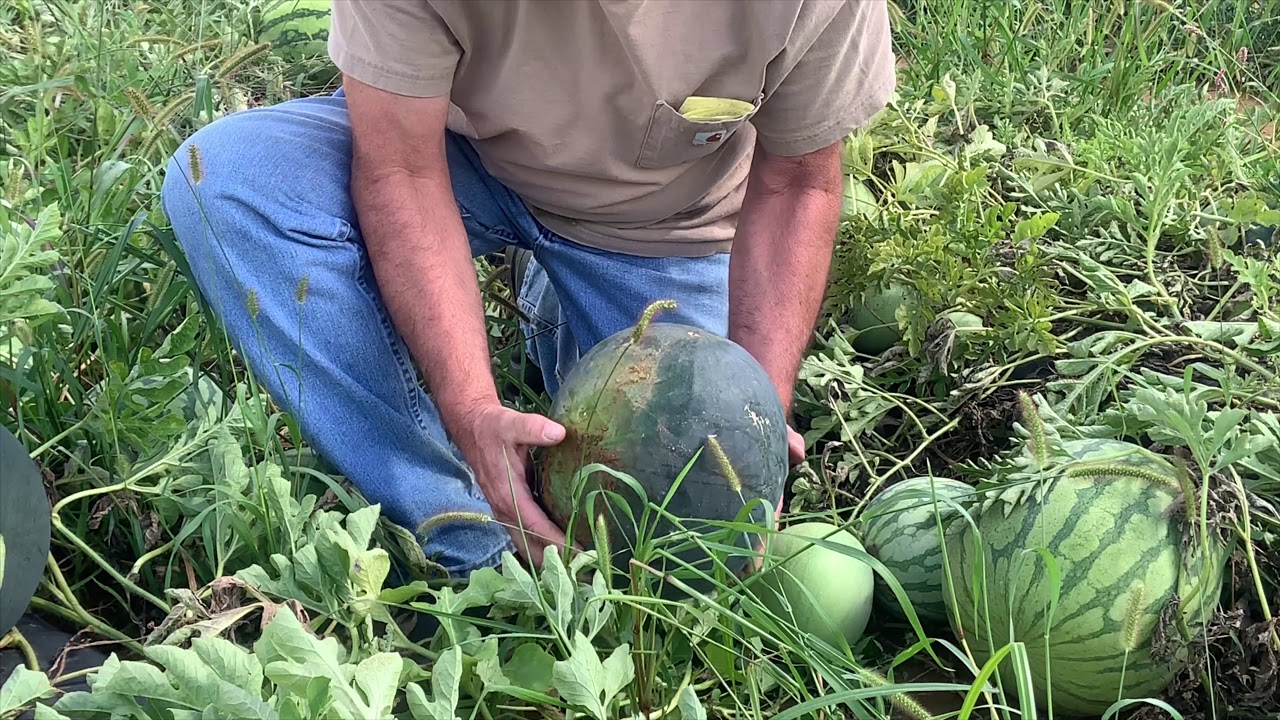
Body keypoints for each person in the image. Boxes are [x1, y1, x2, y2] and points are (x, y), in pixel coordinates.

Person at [160, 0, 896, 579]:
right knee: (229, 181)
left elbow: (799, 183)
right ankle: (457, 532)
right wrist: (472, 406)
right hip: (464, 159)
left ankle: (554, 298)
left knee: (674, 519)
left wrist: (751, 410)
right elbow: (401, 171)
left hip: (665, 222)